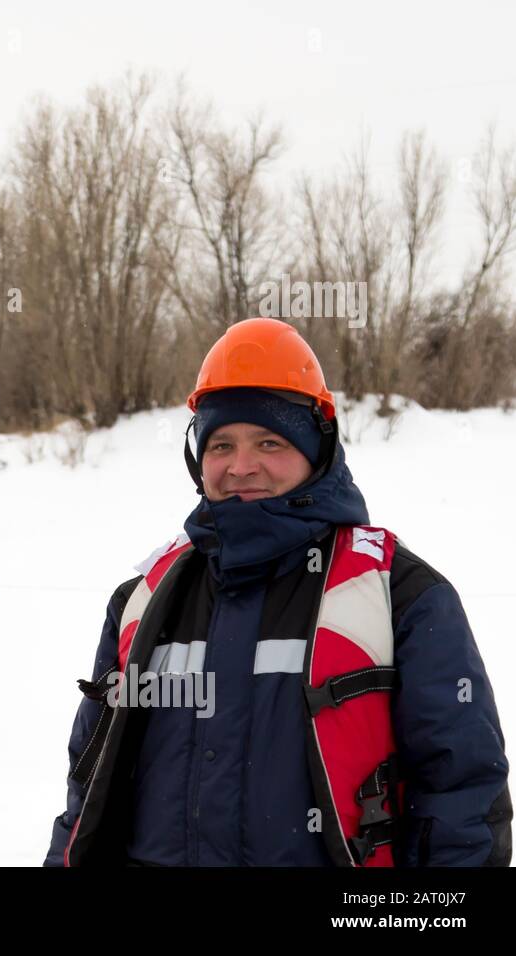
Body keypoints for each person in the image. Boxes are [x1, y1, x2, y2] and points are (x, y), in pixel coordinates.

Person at [44, 317, 511, 867]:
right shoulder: (141, 600)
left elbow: (461, 797)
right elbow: (88, 788)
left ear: (318, 450)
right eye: (222, 444)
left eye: (270, 441)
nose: (242, 467)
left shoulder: (400, 595)